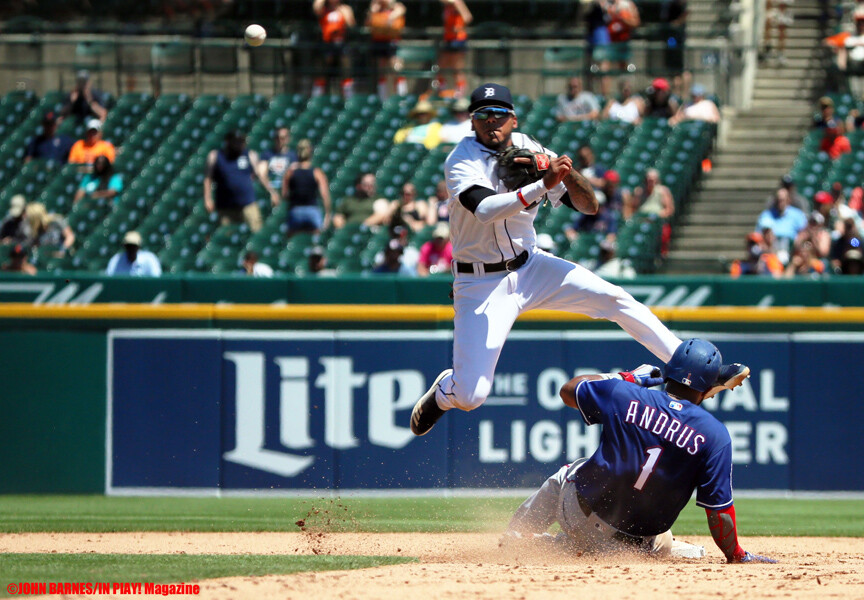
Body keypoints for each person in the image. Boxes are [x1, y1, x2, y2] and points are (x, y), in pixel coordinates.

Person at [409, 83, 749, 436]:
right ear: (472, 120)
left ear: (513, 119)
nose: (490, 121)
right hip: (480, 281)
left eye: (498, 114)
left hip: (531, 266)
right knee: (472, 394)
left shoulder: (531, 148)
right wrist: (541, 185)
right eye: (481, 115)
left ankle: (695, 371)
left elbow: (589, 205)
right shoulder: (462, 159)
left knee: (614, 298)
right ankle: (446, 391)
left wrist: (565, 172)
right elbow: (484, 209)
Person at [502, 339, 776, 565]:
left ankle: (518, 537)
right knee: (661, 533)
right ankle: (675, 551)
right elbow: (721, 513)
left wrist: (629, 378)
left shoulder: (624, 393)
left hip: (579, 515)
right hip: (640, 546)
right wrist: (736, 555)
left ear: (670, 370)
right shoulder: (715, 435)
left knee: (572, 471)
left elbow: (567, 391)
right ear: (708, 387)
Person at [203, 130, 279, 233]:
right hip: (225, 206)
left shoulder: (250, 155)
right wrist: (208, 198)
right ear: (228, 141)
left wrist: (271, 191)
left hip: (247, 203)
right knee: (226, 235)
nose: (239, 144)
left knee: (256, 231)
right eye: (236, 141)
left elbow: (260, 176)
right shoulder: (216, 156)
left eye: (241, 141)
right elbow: (208, 178)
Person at [281, 139, 332, 236]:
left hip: (295, 210)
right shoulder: (317, 172)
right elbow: (324, 195)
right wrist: (327, 214)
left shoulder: (290, 172)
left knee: (291, 238)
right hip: (312, 210)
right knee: (317, 238)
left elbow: (284, 194)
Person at [313, 0, 356, 95]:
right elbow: (316, 8)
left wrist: (346, 14)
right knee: (322, 71)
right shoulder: (323, 9)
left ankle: (348, 97)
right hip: (327, 43)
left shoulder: (345, 9)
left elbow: (351, 24)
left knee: (346, 69)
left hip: (341, 43)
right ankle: (317, 97)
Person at [366, 0, 407, 98]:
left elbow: (401, 10)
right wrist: (372, 12)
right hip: (378, 42)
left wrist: (390, 17)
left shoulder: (396, 7)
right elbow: (369, 24)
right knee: (381, 71)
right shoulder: (375, 8)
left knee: (397, 69)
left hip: (392, 42)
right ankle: (382, 99)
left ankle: (402, 98)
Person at [756, 188, 807, 264]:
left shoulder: (797, 214)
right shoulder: (766, 215)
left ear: (788, 200)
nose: (781, 203)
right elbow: (760, 234)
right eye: (778, 200)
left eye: (783, 200)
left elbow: (804, 232)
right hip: (772, 252)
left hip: (792, 250)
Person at [439, 0, 473, 97]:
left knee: (457, 68)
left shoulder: (457, 3)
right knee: (441, 67)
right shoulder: (447, 6)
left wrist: (459, 27)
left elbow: (467, 18)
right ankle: (442, 90)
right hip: (448, 39)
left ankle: (460, 92)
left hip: (458, 40)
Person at [259, 128, 298, 192]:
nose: (280, 140)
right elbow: (262, 175)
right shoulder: (267, 154)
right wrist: (272, 192)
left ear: (288, 138)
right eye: (277, 137)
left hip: (286, 188)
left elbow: (294, 175)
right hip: (269, 188)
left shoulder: (293, 156)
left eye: (283, 138)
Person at [761, 0, 793, 65]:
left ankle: (780, 53)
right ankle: (767, 50)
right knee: (768, 22)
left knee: (782, 29)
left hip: (782, 13)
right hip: (773, 11)